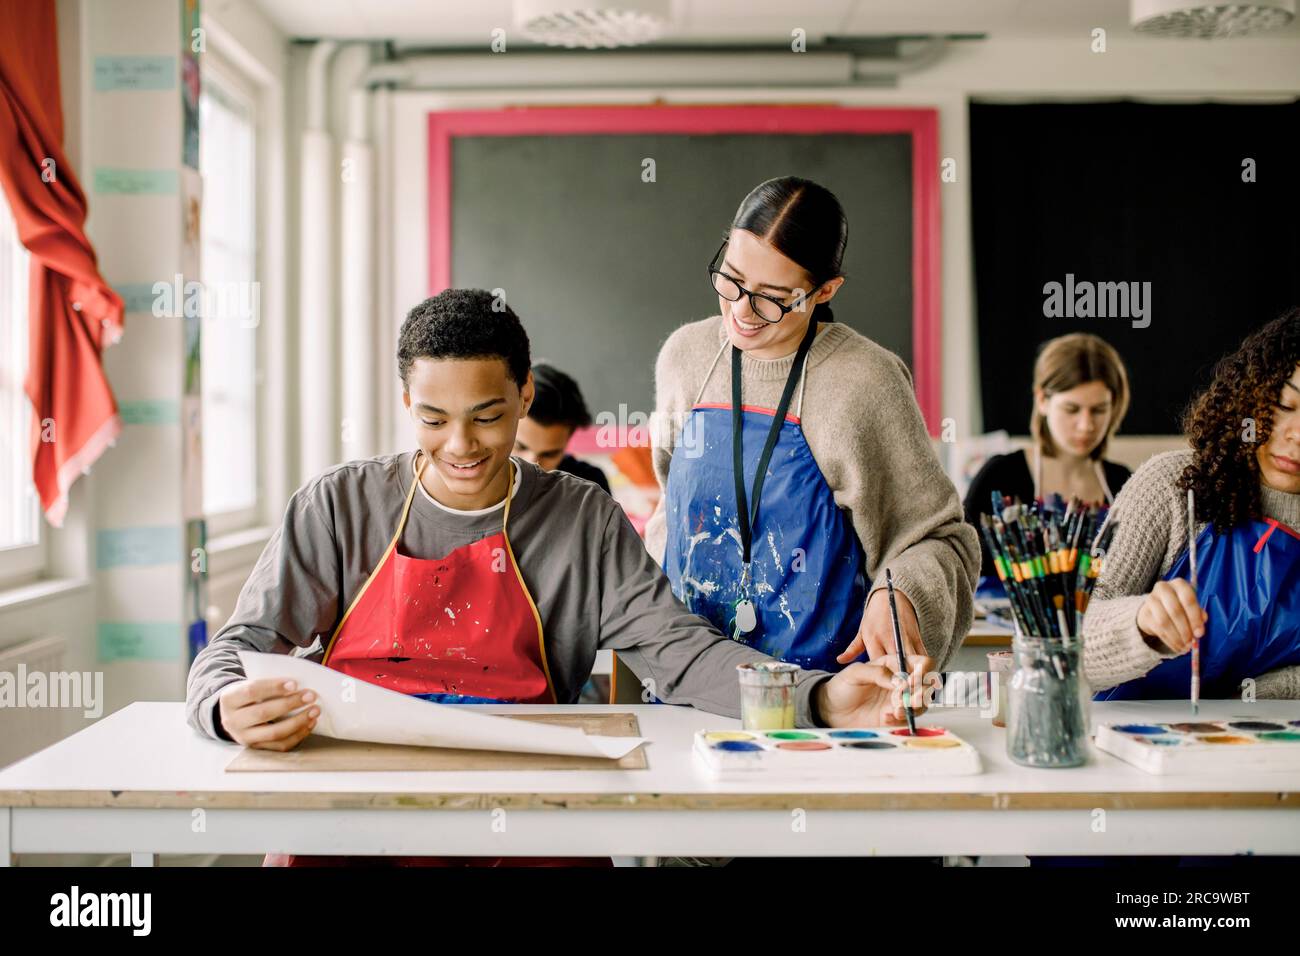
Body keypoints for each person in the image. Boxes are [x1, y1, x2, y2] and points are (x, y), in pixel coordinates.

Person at [185, 289, 929, 864]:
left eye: (487, 416)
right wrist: (223, 704)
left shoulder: (581, 519)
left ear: (525, 401)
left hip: (532, 812)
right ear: (405, 404)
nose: (462, 445)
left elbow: (682, 650)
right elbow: (240, 643)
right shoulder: (339, 505)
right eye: (433, 419)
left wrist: (820, 695)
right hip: (352, 811)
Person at [646, 176, 979, 674]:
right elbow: (670, 513)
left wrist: (901, 594)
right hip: (687, 682)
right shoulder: (686, 357)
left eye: (772, 297)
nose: (741, 311)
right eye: (732, 279)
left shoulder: (864, 381)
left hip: (824, 699)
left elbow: (939, 541)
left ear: (825, 290)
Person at [1084, 309, 1300, 700]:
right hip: (1129, 750)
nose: (1297, 435)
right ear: (1252, 394)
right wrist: (1140, 624)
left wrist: (1253, 696)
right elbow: (1072, 638)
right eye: (1286, 404)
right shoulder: (1171, 485)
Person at [963, 333, 1133, 589]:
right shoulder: (999, 476)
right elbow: (959, 558)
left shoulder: (1124, 482)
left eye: (1099, 410)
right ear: (1042, 400)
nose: (1086, 425)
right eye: (1071, 409)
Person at [513, 361, 610, 493]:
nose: (532, 464)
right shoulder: (478, 475)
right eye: (520, 446)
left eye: (549, 454)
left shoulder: (588, 488)